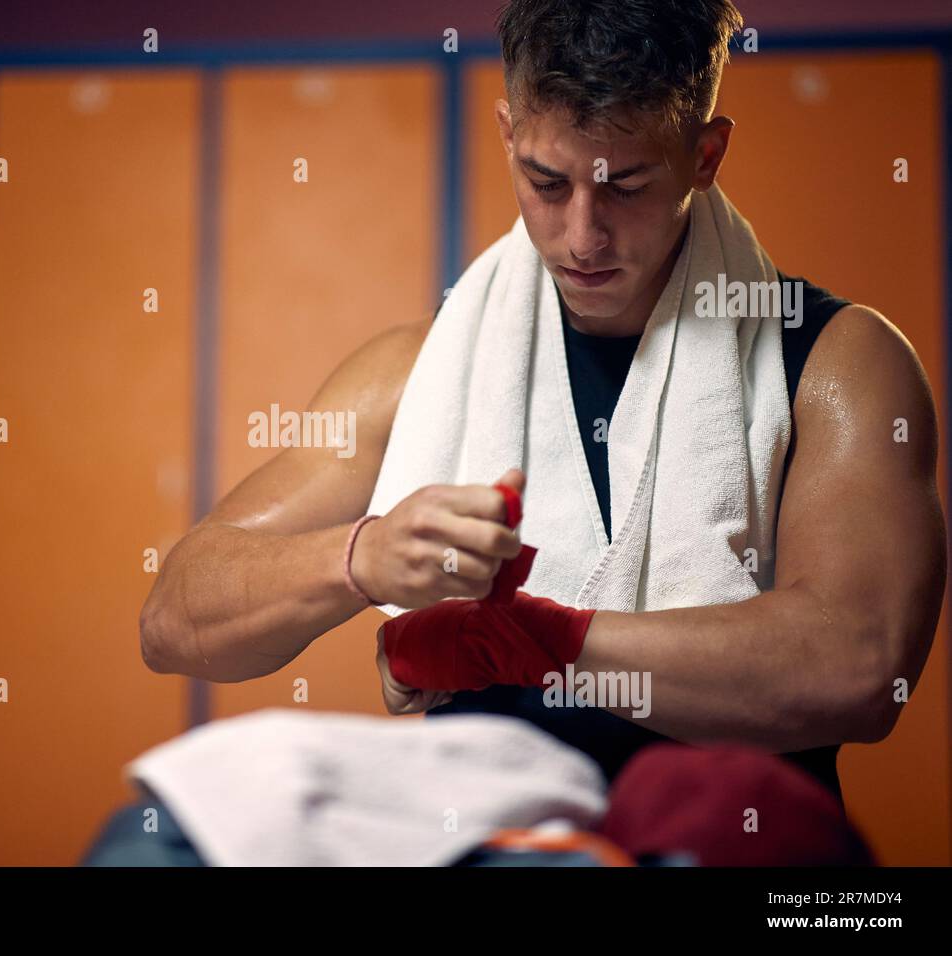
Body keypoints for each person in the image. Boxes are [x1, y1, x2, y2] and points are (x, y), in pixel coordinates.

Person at [137, 0, 946, 805]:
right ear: (507, 136)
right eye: (546, 182)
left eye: (625, 185)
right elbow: (175, 616)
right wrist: (358, 556)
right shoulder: (418, 373)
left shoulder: (834, 364)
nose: (582, 237)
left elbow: (861, 666)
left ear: (705, 155)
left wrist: (525, 643)